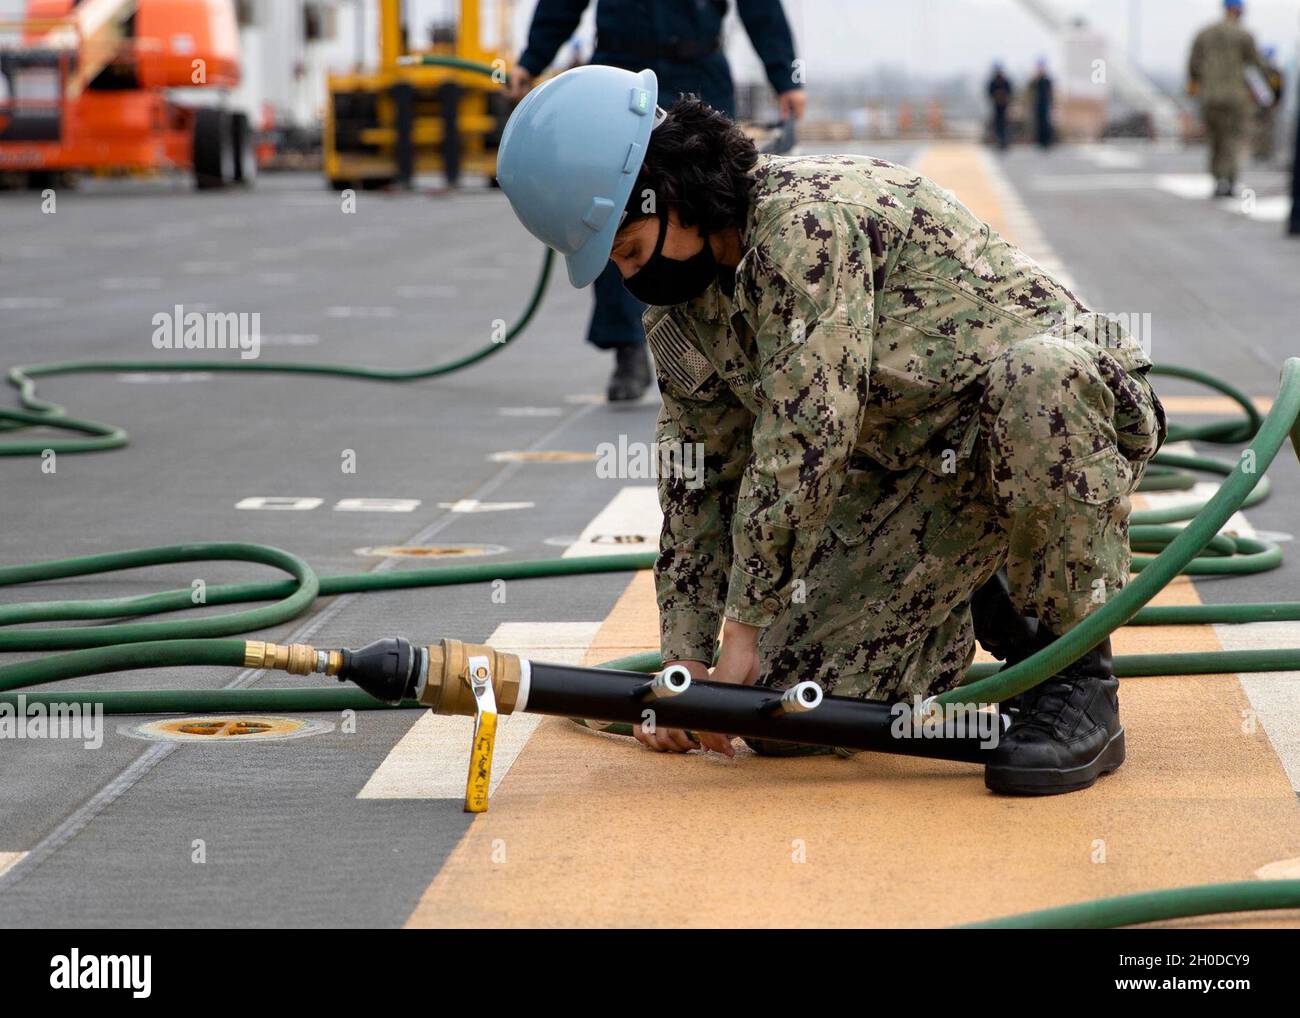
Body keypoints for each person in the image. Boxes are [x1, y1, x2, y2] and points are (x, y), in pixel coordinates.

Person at [495, 65, 1166, 796]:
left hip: (1047, 420)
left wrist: (743, 628)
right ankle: (982, 587)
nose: (631, 279)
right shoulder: (680, 308)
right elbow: (698, 474)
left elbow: (806, 440)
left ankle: (1074, 675)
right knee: (788, 714)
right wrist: (684, 668)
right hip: (914, 461)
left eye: (628, 250)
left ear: (670, 192)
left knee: (1036, 380)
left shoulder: (805, 227)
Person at [505, 0, 805, 403]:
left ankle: (723, 346)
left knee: (711, 213)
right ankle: (627, 348)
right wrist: (532, 59)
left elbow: (760, 7)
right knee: (613, 222)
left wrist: (785, 75)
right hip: (617, 77)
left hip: (697, 70)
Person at [1188, 0, 1265, 197]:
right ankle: (1228, 180)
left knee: (1215, 139)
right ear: (1239, 10)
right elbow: (1257, 66)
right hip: (1235, 96)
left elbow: (1193, 66)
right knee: (1232, 138)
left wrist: (1196, 87)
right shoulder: (1244, 35)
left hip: (1209, 96)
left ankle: (1217, 179)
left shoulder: (1205, 33)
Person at [1252, 45, 1284, 161]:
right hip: (1264, 103)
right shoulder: (1271, 72)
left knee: (1263, 128)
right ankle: (1261, 151)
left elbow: (1278, 88)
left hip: (1265, 103)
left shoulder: (1268, 72)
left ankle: (1262, 151)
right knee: (1263, 128)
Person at [1028, 59, 1054, 149]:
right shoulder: (1036, 80)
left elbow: (1050, 92)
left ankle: (1047, 142)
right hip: (1037, 104)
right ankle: (1040, 142)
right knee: (1038, 123)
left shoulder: (1047, 80)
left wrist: (1052, 104)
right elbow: (1030, 89)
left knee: (1045, 123)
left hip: (1045, 105)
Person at [987, 63, 1013, 150]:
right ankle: (999, 141)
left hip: (1004, 107)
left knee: (1005, 124)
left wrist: (1004, 97)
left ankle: (1005, 142)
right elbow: (990, 93)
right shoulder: (993, 82)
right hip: (996, 107)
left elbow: (1010, 92)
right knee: (997, 125)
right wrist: (996, 97)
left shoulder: (1005, 82)